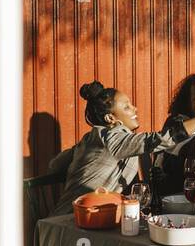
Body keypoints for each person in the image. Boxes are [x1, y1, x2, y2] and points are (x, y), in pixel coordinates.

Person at [49, 81, 180, 208]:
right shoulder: (113, 139)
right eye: (127, 107)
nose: (135, 108)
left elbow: (55, 165)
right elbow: (162, 139)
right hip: (75, 219)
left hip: (77, 215)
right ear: (110, 118)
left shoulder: (90, 139)